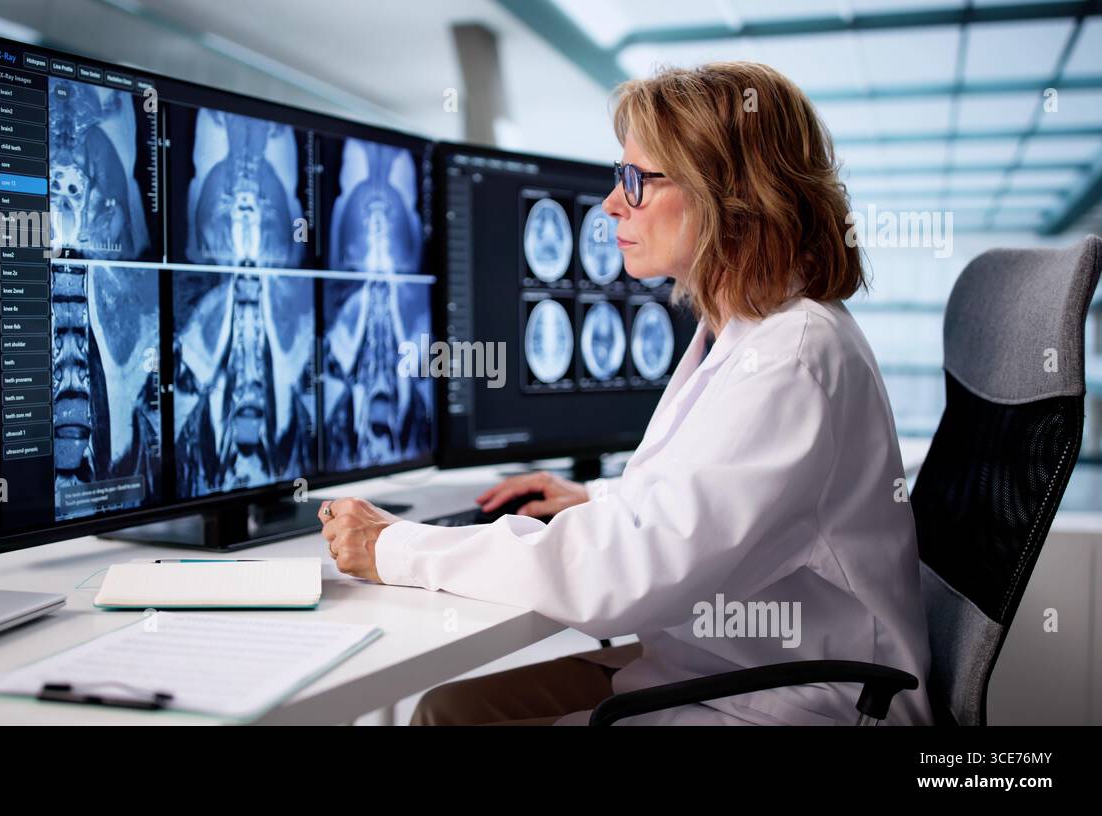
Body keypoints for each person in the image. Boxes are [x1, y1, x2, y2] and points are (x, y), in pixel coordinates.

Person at [318, 62, 933, 726]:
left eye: (637, 180)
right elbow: (707, 500)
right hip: (725, 666)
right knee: (447, 709)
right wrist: (597, 497)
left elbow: (619, 579)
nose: (613, 203)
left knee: (453, 719)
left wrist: (396, 546)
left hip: (795, 699)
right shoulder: (743, 333)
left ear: (729, 195)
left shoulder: (793, 356)